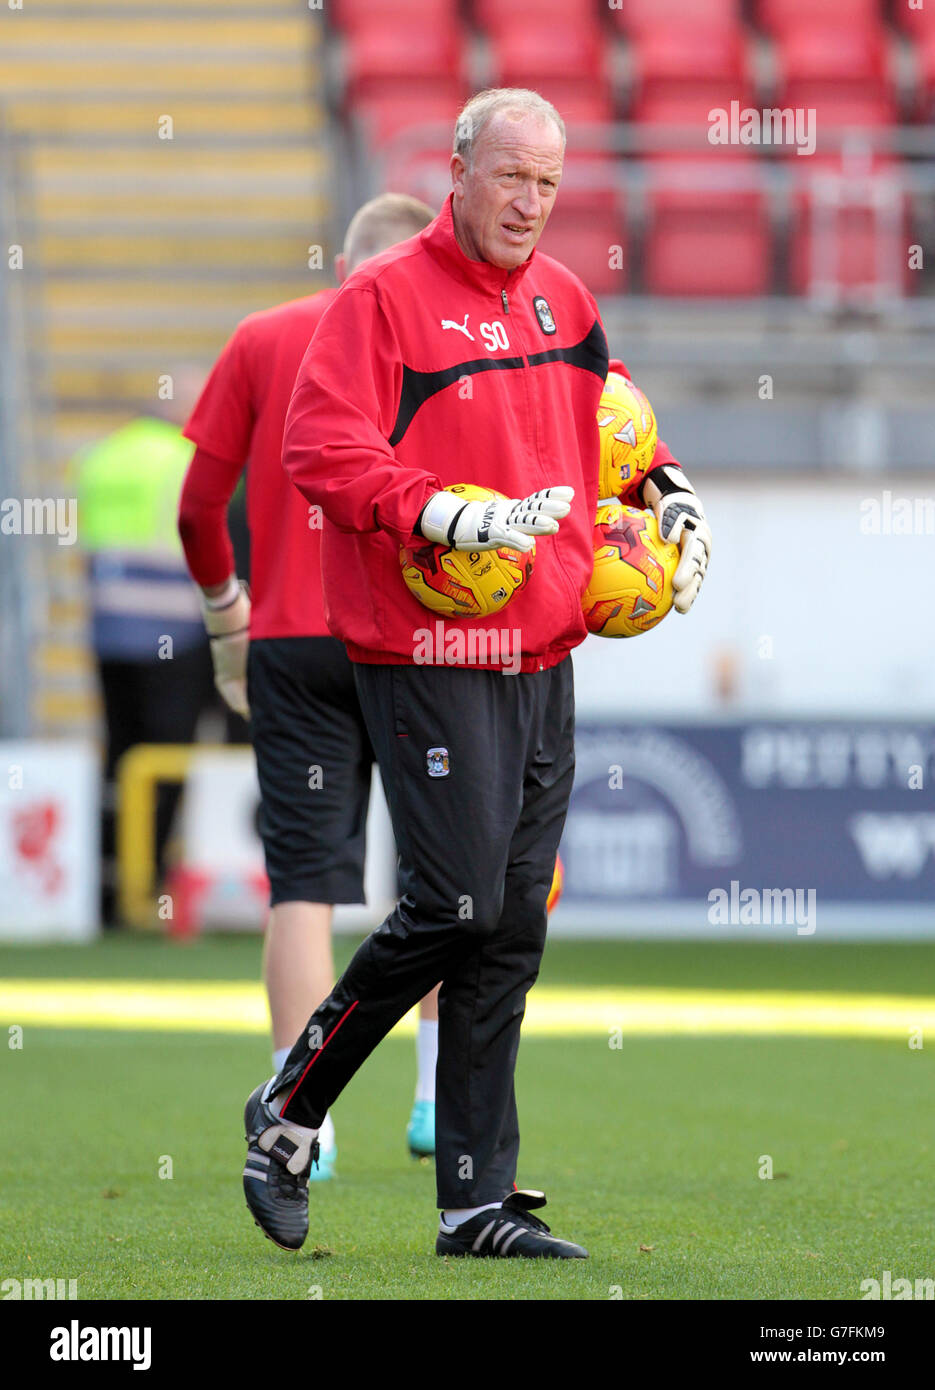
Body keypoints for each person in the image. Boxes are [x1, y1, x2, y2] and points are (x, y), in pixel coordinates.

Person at [243, 87, 712, 1259]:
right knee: (452, 903)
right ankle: (290, 1109)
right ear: (456, 168)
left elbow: (619, 437)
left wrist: (668, 492)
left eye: (547, 184)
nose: (528, 203)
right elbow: (319, 450)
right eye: (509, 176)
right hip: (425, 644)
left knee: (506, 932)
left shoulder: (566, 300)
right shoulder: (380, 298)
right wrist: (440, 514)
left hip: (544, 649)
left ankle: (472, 1204)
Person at [178, 195, 441, 1177]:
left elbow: (198, 506)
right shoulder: (443, 346)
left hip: (289, 641)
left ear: (341, 261)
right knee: (444, 881)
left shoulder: (263, 337)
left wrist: (224, 620)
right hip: (414, 642)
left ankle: (307, 1127)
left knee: (304, 888)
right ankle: (434, 1098)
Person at [73, 370, 216, 926]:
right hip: (174, 636)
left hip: (111, 635)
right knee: (166, 762)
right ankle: (148, 884)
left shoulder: (99, 458)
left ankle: (107, 888)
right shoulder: (184, 462)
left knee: (119, 757)